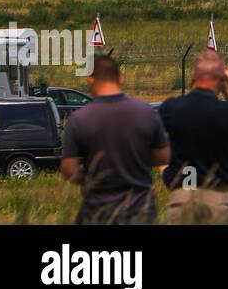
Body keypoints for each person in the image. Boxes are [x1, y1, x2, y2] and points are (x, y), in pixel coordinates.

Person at [60, 55, 171, 225]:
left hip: (98, 211)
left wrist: (90, 177)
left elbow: (68, 169)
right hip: (140, 209)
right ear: (120, 79)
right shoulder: (145, 112)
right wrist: (138, 160)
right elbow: (164, 156)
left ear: (91, 79)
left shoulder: (80, 119)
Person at [159, 49, 228, 224]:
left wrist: (165, 172)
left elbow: (152, 142)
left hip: (182, 196)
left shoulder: (171, 108)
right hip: (220, 197)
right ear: (222, 80)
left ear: (193, 78)